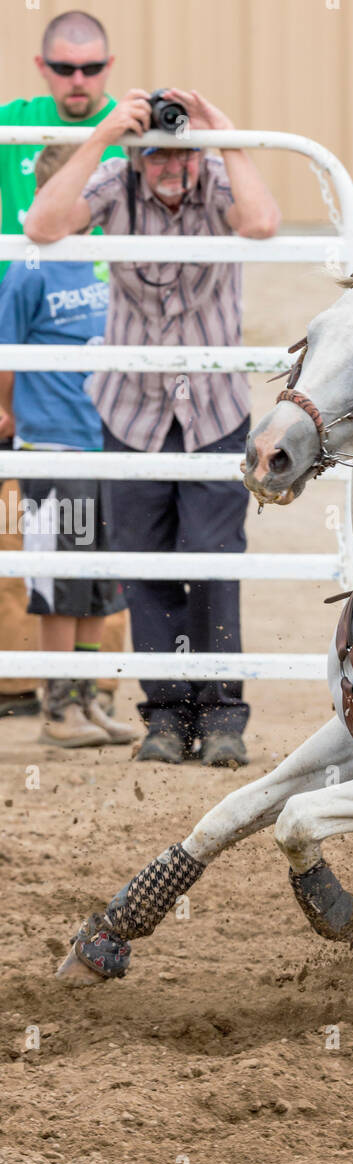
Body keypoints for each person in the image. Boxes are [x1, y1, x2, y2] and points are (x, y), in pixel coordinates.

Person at [26, 85, 282, 767]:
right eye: (158, 152)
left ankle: (223, 715)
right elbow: (42, 224)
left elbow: (260, 223)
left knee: (213, 560)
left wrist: (222, 131)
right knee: (146, 569)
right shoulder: (117, 178)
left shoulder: (219, 178)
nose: (171, 164)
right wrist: (107, 136)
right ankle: (166, 717)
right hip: (133, 410)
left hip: (215, 410)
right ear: (139, 155)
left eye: (182, 150)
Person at [0, 8, 125, 721]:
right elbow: (8, 345)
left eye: (92, 66)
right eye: (65, 66)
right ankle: (55, 699)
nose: (79, 79)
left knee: (98, 570)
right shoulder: (27, 273)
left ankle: (87, 693)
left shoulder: (109, 265)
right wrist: (9, 407)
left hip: (104, 433)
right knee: (56, 566)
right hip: (52, 433)